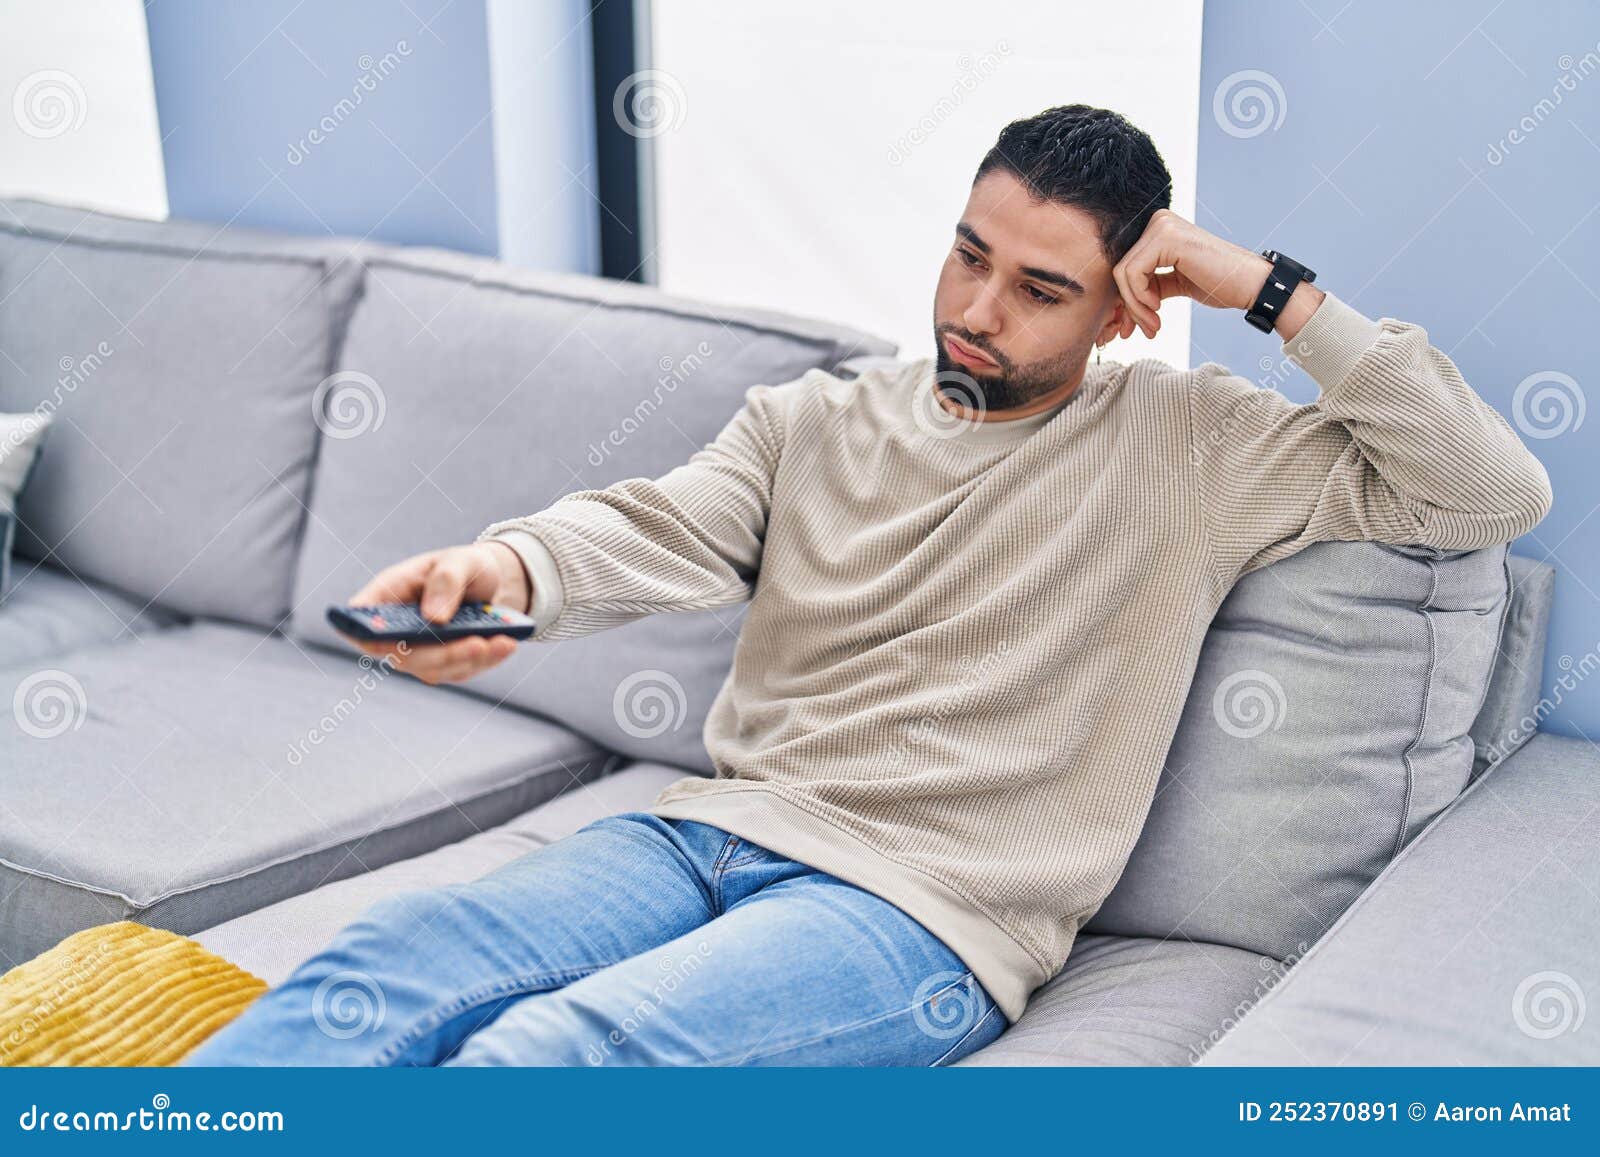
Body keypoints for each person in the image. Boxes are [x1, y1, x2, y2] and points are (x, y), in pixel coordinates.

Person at [185, 104, 1551, 1067]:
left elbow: (1484, 491)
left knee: (551, 1056)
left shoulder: (1192, 445)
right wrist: (509, 567)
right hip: (699, 836)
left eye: (1037, 288)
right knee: (374, 973)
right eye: (968, 253)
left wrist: (1260, 286)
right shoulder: (813, 421)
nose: (975, 309)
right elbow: (661, 522)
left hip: (917, 916)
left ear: (1127, 304)